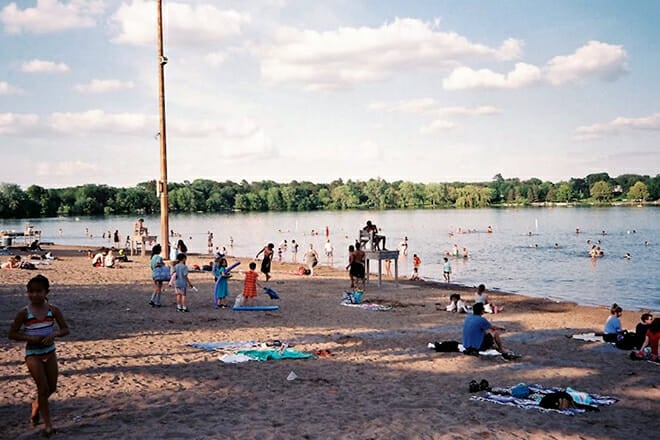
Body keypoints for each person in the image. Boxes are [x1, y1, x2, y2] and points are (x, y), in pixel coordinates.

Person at [8, 275, 69, 437]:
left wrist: (54, 334)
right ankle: (48, 425)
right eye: (31, 292)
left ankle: (36, 405)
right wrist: (30, 338)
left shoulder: (53, 310)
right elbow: (12, 333)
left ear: (46, 292)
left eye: (38, 291)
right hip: (33, 354)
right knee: (42, 388)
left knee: (52, 387)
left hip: (50, 352)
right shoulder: (24, 313)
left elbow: (65, 329)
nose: (34, 295)